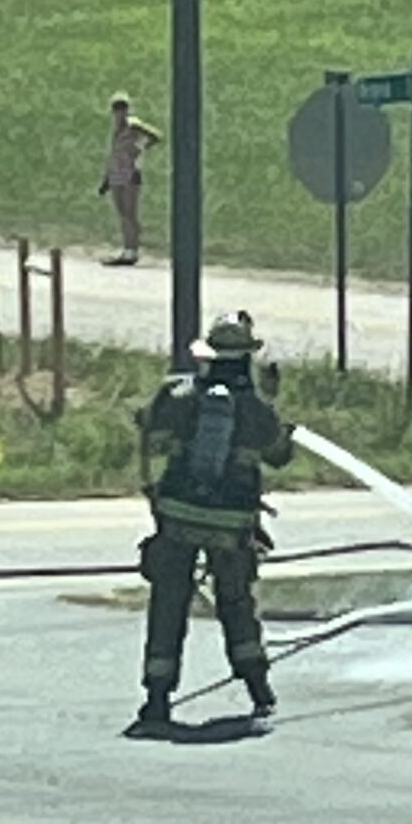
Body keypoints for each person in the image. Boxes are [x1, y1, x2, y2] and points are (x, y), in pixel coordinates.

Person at [130, 312, 295, 735]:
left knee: (169, 603)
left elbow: (148, 428)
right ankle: (259, 689)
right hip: (231, 523)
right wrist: (274, 402)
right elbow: (279, 454)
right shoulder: (256, 409)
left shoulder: (181, 397)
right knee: (236, 603)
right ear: (246, 360)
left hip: (178, 517)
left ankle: (158, 695)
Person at [100, 94, 160, 265]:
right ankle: (128, 247)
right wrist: (107, 178)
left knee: (130, 213)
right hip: (116, 173)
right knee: (122, 213)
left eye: (122, 108)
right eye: (116, 109)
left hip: (130, 172)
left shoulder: (133, 124)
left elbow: (155, 136)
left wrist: (140, 148)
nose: (119, 112)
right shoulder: (116, 129)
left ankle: (132, 250)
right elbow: (113, 154)